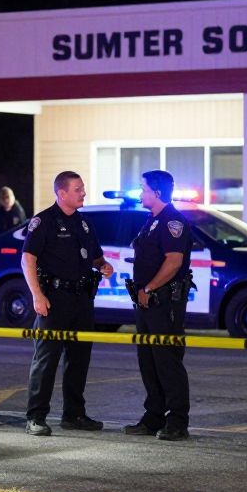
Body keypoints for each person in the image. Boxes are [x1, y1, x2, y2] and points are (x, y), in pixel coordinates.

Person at [23, 171, 114, 436]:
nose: (83, 193)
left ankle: (74, 415)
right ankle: (36, 417)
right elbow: (28, 260)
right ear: (62, 193)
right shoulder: (44, 221)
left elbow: (96, 258)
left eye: (83, 188)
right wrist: (37, 295)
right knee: (46, 360)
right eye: (77, 189)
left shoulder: (84, 224)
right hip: (54, 299)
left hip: (82, 299)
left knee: (79, 360)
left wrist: (104, 265)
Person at [122, 169, 193, 442]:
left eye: (144, 189)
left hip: (164, 303)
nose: (141, 193)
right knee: (148, 362)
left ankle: (177, 421)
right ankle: (152, 418)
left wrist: (149, 287)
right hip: (148, 303)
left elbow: (173, 261)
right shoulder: (152, 220)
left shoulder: (172, 220)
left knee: (167, 362)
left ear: (158, 193)